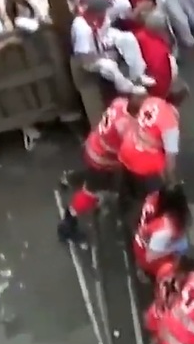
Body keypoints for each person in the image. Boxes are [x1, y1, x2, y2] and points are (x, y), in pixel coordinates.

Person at [57, 93, 139, 242]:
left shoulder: (119, 103)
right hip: (102, 161)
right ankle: (68, 222)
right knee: (92, 192)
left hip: (93, 144)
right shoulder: (126, 127)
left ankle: (69, 179)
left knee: (92, 174)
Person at [145, 246, 194, 344]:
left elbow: (157, 288)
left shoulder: (165, 269)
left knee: (154, 335)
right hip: (169, 326)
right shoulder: (188, 290)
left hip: (156, 313)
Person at [119, 93, 181, 193]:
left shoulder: (152, 100)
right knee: (141, 188)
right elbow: (170, 160)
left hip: (127, 146)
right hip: (142, 163)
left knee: (126, 179)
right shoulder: (171, 126)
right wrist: (172, 182)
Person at [133, 184, 192, 279]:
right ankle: (148, 273)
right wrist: (173, 248)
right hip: (147, 252)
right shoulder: (165, 230)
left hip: (144, 237)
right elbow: (150, 256)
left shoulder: (154, 197)